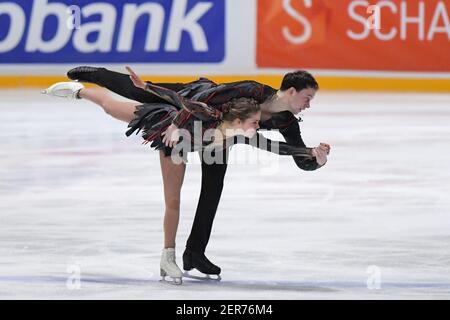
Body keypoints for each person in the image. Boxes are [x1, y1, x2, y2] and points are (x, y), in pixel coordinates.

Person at [66, 66, 331, 279]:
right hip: (197, 103)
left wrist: (315, 158)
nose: (308, 105)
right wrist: (175, 125)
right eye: (307, 97)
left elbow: (293, 155)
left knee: (213, 190)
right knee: (142, 93)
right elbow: (196, 102)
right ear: (292, 91)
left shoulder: (286, 122)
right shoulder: (252, 90)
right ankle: (97, 75)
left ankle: (194, 253)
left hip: (222, 137)